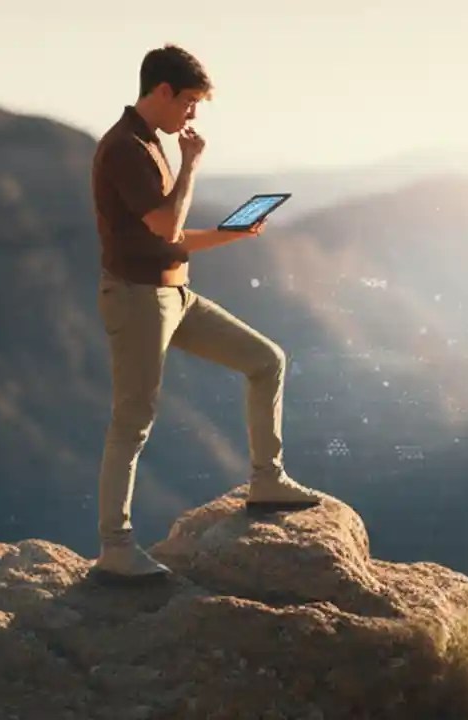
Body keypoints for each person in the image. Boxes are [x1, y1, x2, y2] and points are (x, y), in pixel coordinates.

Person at [89, 44, 322, 582]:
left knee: (266, 361)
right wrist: (192, 164)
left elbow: (170, 240)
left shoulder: (150, 143)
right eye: (189, 101)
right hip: (137, 299)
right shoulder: (124, 147)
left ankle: (267, 480)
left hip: (175, 294)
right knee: (133, 421)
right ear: (162, 92)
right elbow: (168, 227)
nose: (191, 114)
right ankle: (115, 547)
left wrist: (230, 233)